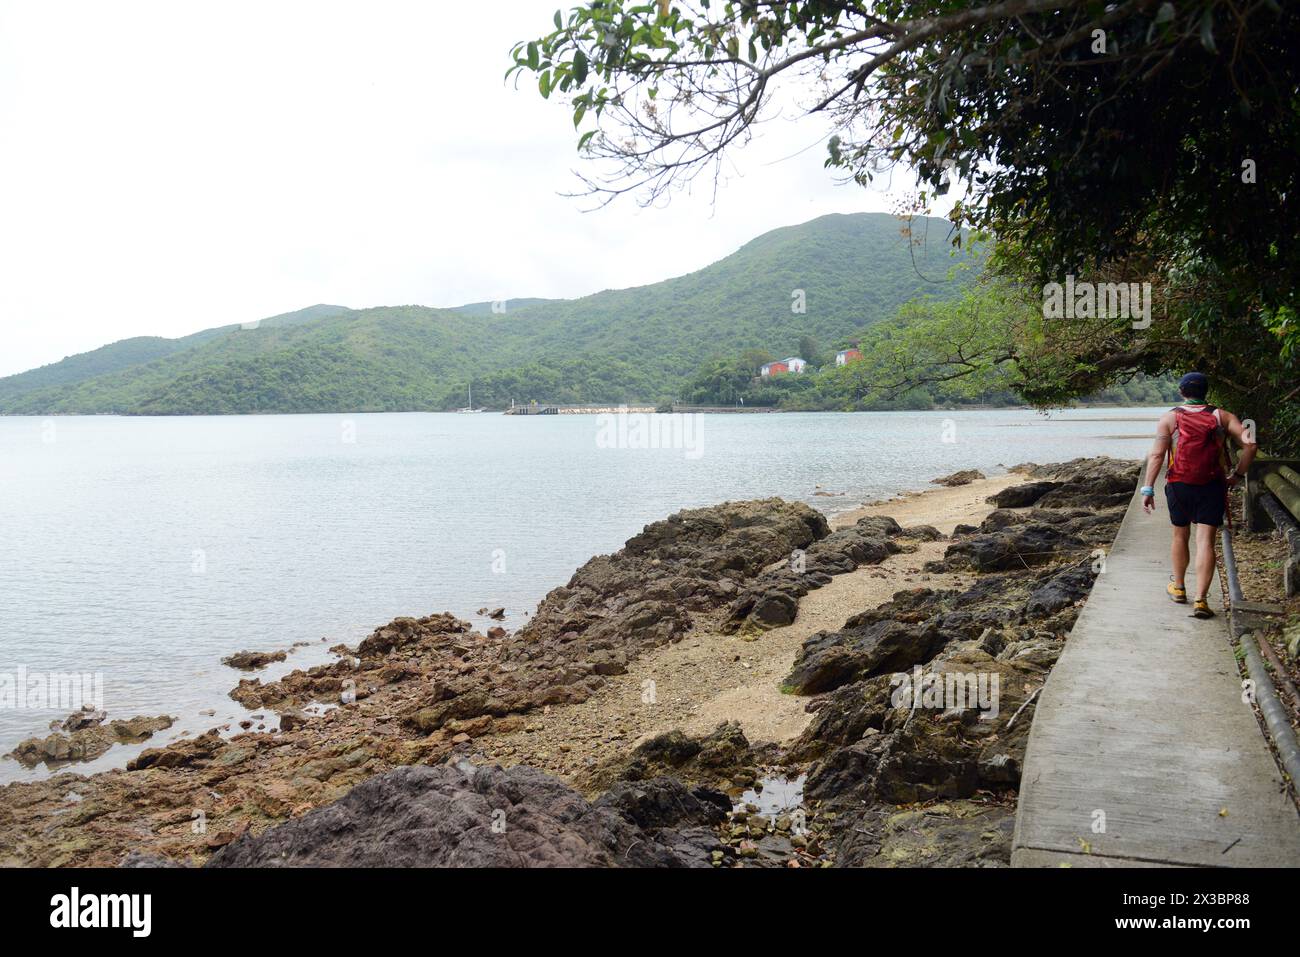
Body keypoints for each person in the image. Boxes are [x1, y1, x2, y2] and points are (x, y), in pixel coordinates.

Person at [1141, 372, 1257, 618]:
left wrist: (1148, 488)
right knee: (1205, 540)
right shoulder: (1222, 416)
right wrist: (1237, 475)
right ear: (1206, 392)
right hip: (1212, 484)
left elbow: (1157, 455)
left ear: (1182, 392)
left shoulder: (1169, 418)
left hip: (1178, 484)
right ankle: (1201, 600)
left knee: (1180, 534)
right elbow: (1251, 444)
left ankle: (1180, 588)